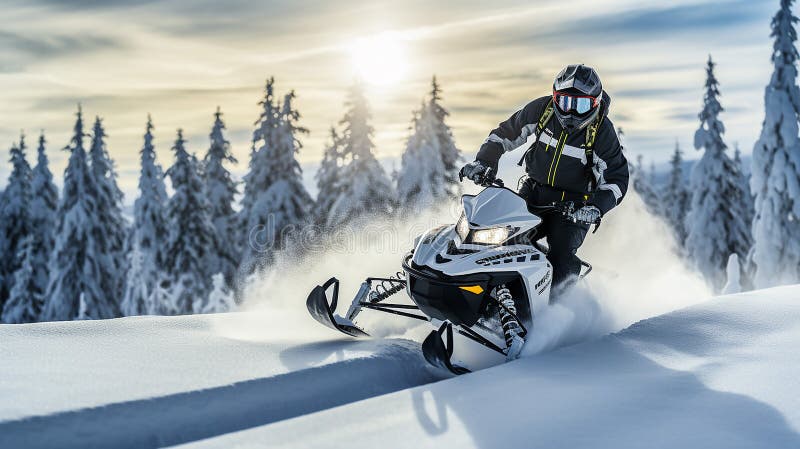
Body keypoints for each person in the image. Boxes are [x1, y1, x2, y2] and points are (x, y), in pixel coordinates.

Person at [460, 64, 629, 291]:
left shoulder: (601, 131)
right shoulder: (543, 110)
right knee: (501, 239)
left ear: (595, 103)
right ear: (555, 97)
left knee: (561, 254)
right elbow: (505, 134)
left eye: (581, 105)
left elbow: (617, 178)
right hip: (534, 191)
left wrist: (595, 207)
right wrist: (484, 162)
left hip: (574, 206)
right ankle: (488, 293)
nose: (570, 112)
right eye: (564, 102)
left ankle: (559, 304)